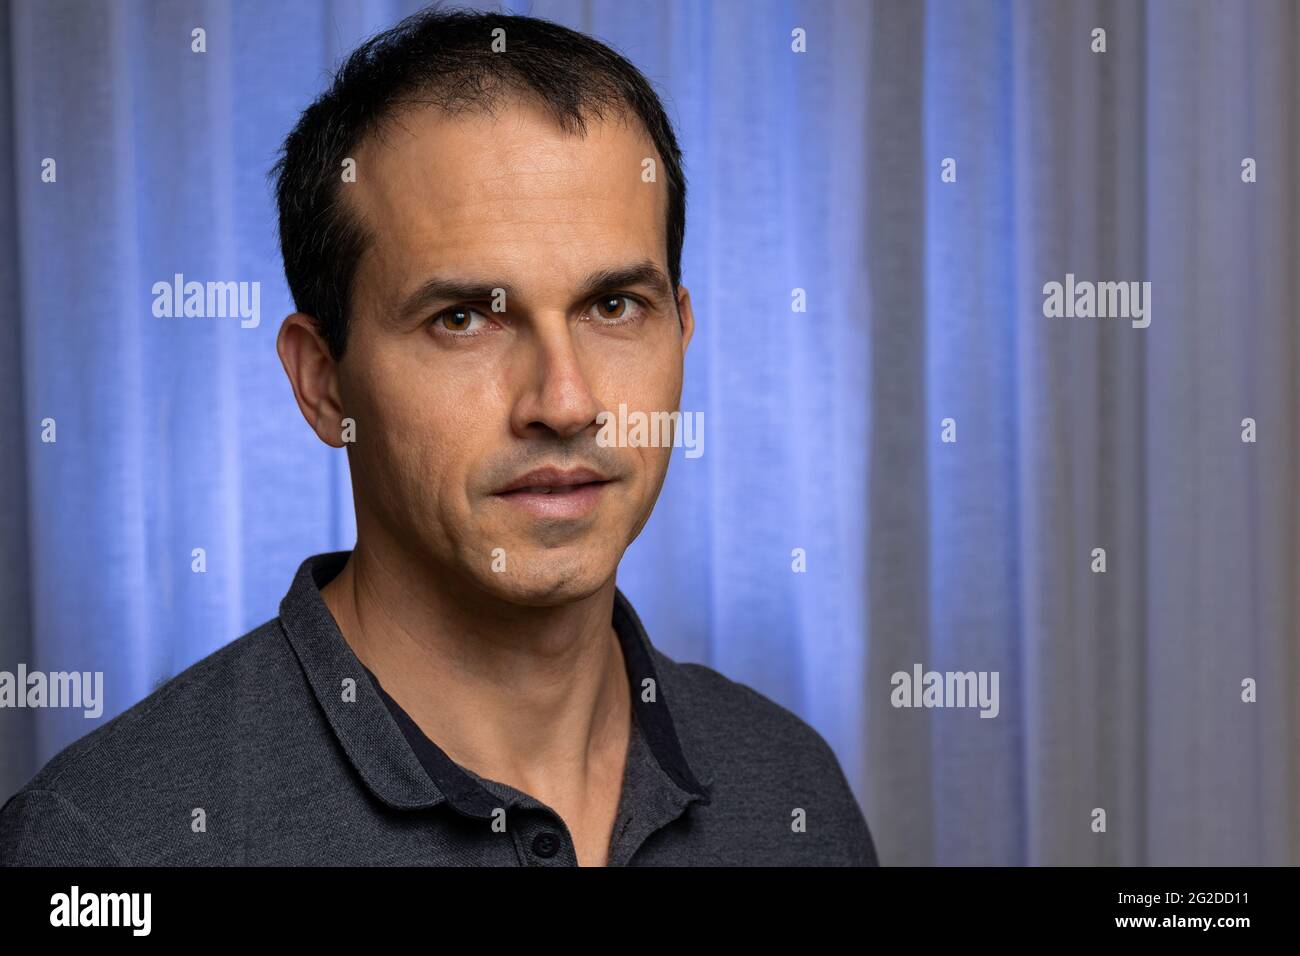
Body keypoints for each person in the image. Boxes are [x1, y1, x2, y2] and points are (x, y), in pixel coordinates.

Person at [0, 6, 878, 867]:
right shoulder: (106, 842)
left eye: (614, 306)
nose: (564, 402)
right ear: (321, 381)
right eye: (464, 319)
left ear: (680, 333)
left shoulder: (792, 790)